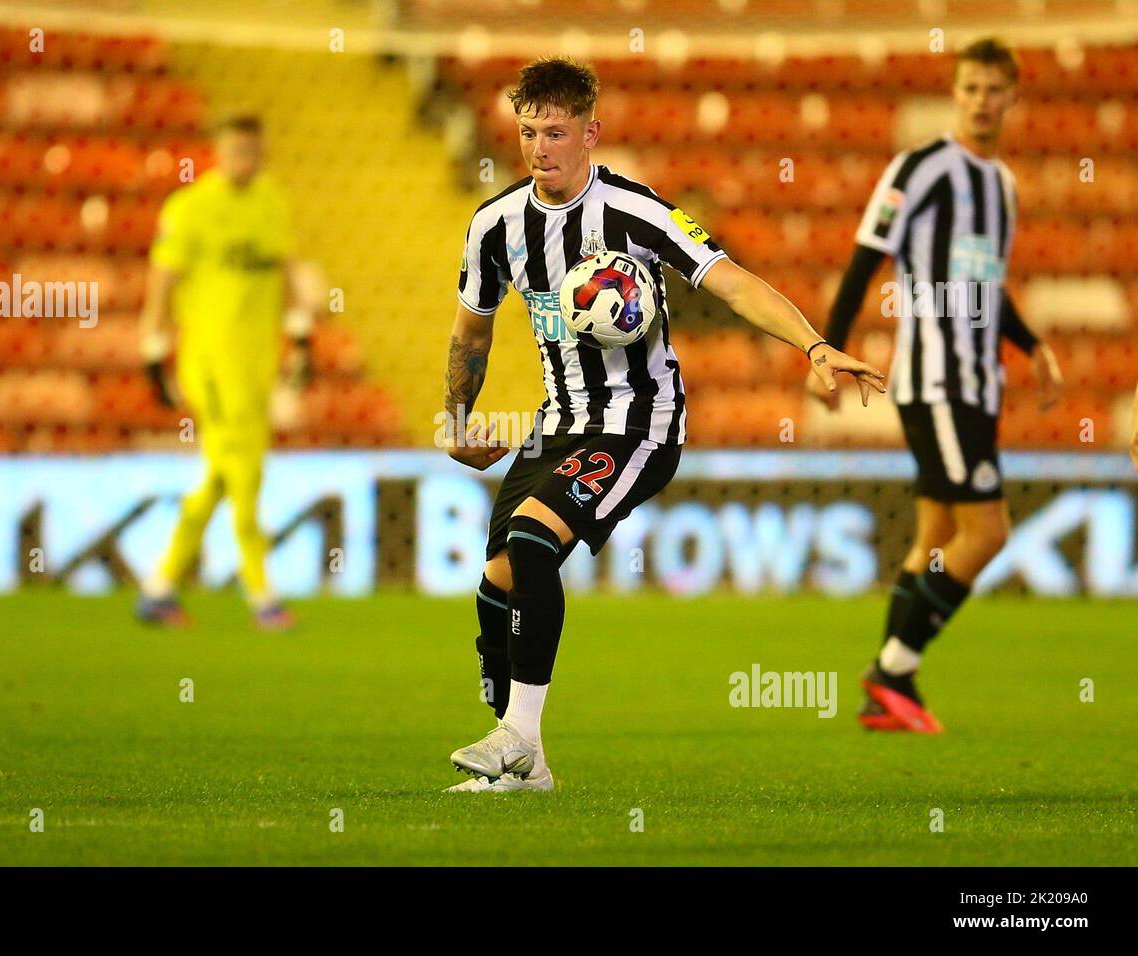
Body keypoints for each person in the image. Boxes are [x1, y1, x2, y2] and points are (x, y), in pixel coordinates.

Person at [442, 57, 885, 791]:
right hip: (558, 424)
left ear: (592, 133)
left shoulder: (636, 213)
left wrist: (812, 342)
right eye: (527, 132)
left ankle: (516, 736)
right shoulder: (496, 227)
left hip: (639, 424)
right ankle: (524, 765)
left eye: (555, 132)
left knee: (529, 541)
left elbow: (731, 279)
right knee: (497, 587)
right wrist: (456, 420)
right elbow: (471, 334)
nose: (539, 147)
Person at [808, 39, 1063, 732]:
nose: (983, 101)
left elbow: (987, 285)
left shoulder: (1003, 185)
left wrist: (1033, 345)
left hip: (979, 385)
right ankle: (892, 667)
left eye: (994, 90)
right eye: (971, 88)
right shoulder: (921, 168)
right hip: (937, 380)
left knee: (939, 537)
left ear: (1012, 98)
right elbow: (866, 258)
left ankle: (889, 696)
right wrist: (827, 347)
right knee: (989, 532)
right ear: (956, 94)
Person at [135, 114, 318, 630]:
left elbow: (285, 275)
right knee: (245, 473)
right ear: (217, 151)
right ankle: (261, 592)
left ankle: (160, 585)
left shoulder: (271, 203)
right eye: (237, 151)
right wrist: (154, 354)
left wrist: (302, 340)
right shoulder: (190, 208)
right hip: (210, 364)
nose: (246, 161)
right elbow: (161, 285)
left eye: (254, 152)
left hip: (258, 364)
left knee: (220, 475)